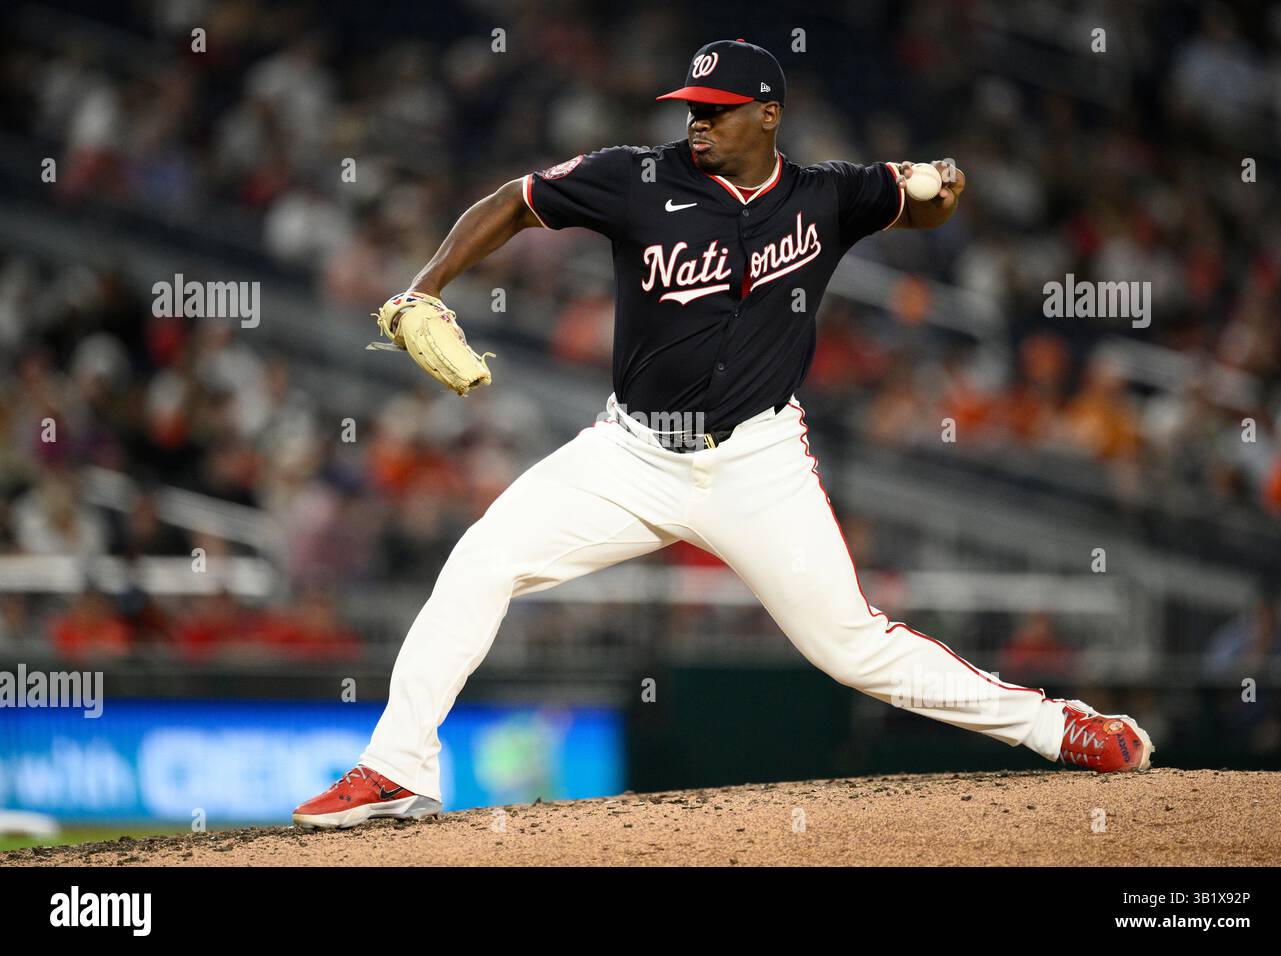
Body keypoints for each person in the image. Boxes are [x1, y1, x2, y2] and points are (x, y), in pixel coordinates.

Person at [293, 40, 1152, 830]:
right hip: (628, 453)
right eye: (692, 106)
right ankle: (398, 767)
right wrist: (425, 284)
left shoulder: (826, 194)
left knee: (852, 648)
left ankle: (1056, 727)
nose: (697, 120)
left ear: (768, 115)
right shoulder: (635, 177)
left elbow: (915, 206)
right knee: (482, 559)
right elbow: (514, 202)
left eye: (718, 108)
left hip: (758, 461)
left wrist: (940, 191)